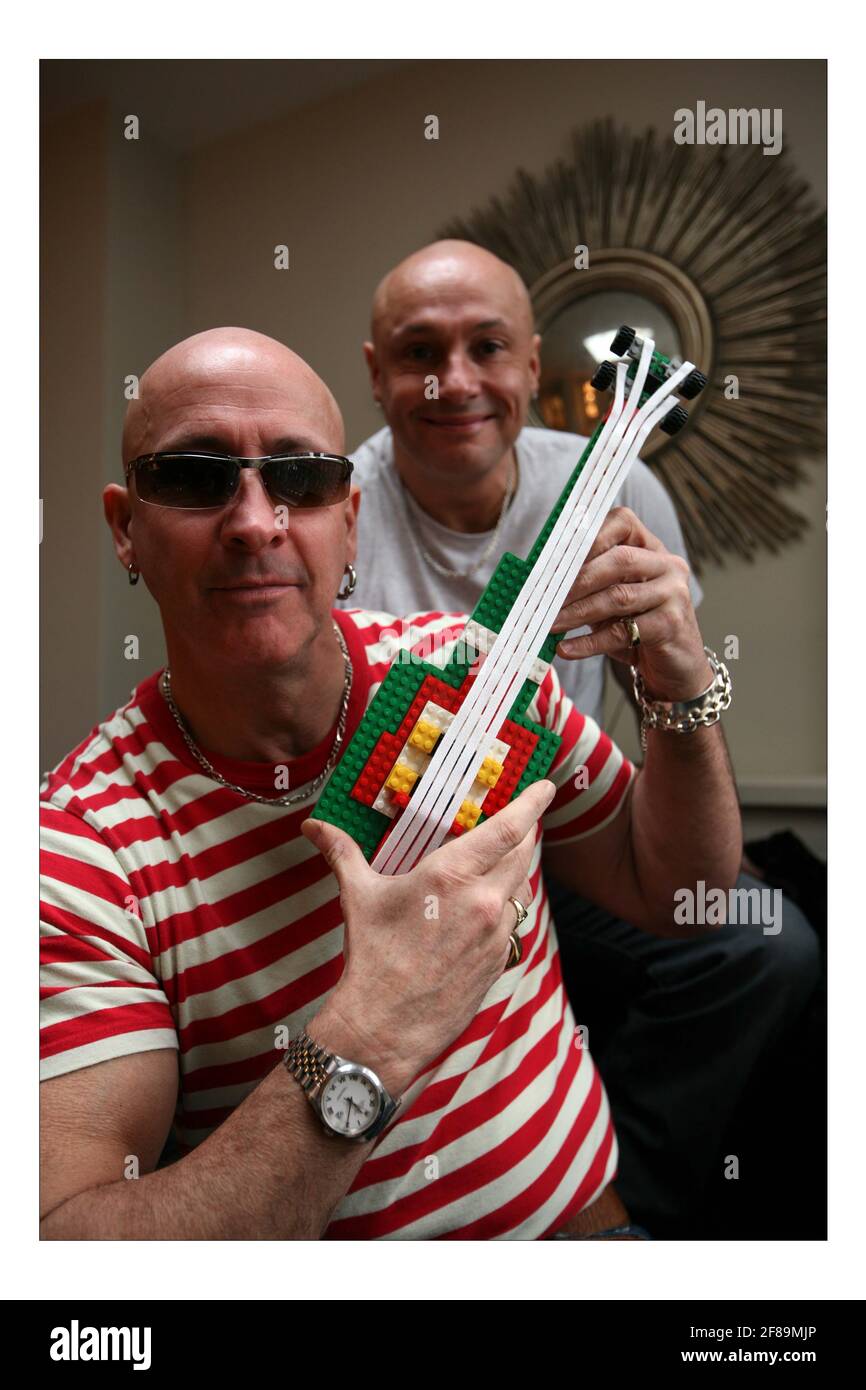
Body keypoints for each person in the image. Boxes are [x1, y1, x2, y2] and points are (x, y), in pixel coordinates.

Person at [39, 327, 742, 1241]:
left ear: (350, 520)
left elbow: (679, 894)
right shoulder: (78, 849)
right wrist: (373, 1030)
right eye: (194, 475)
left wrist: (682, 694)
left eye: (300, 476)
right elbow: (71, 1253)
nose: (256, 522)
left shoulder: (472, 675)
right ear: (127, 529)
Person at [340, 240, 820, 1232]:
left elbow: (663, 699)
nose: (453, 379)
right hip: (410, 857)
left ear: (528, 367)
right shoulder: (335, 515)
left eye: (487, 346)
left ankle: (615, 1210)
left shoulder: (617, 489)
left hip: (570, 827)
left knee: (764, 945)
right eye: (419, 350)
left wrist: (675, 669)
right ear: (376, 373)